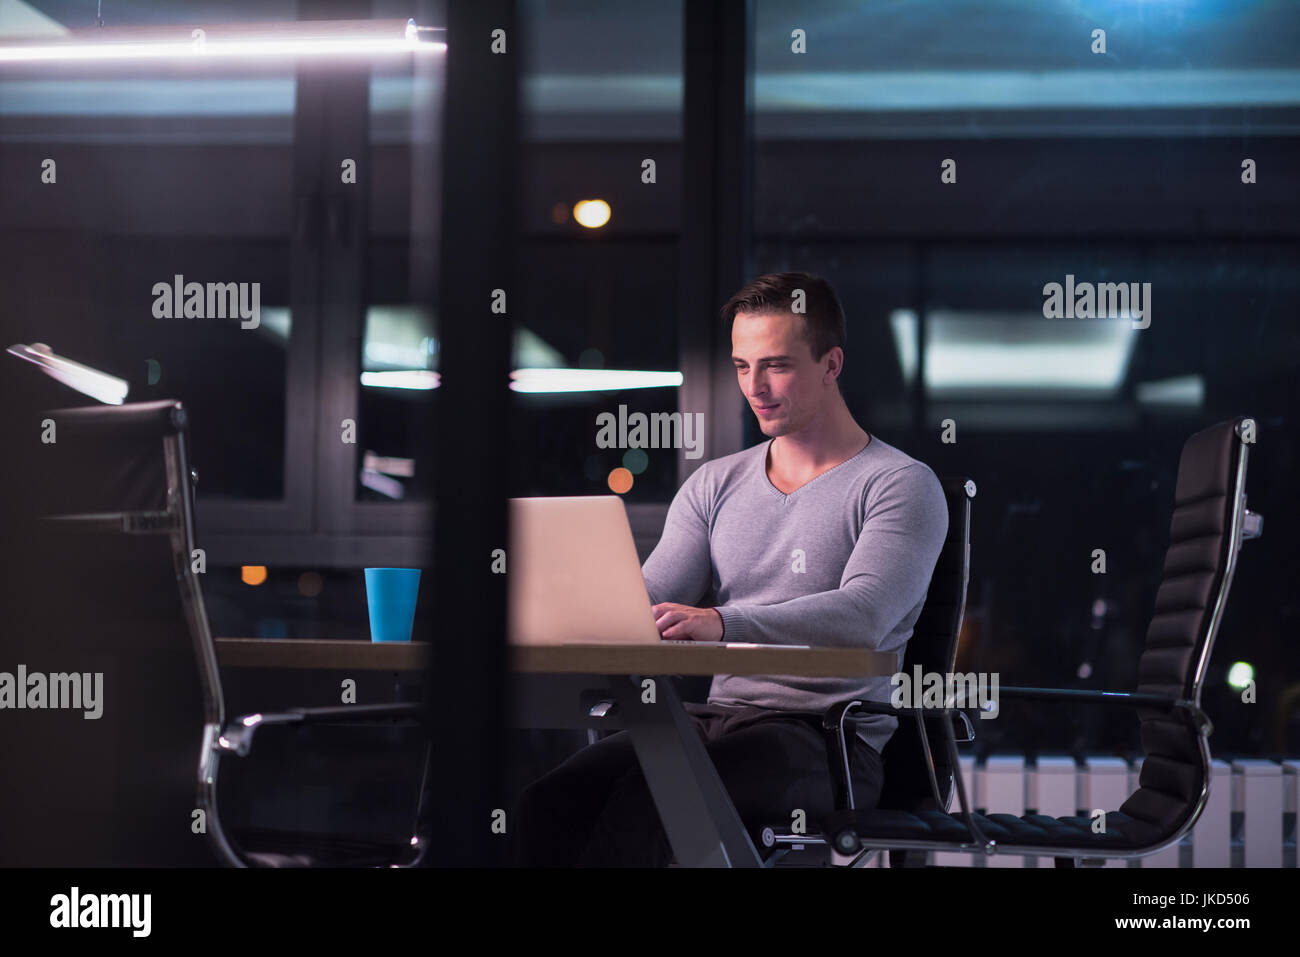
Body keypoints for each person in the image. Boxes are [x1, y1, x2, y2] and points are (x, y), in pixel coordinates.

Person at [518, 271, 948, 866]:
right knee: (547, 806)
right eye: (743, 366)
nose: (756, 387)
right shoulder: (715, 483)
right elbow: (647, 598)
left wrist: (722, 623)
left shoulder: (899, 484)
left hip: (824, 740)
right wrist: (566, 609)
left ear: (831, 364)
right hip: (711, 721)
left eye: (777, 365)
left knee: (655, 800)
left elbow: (864, 615)